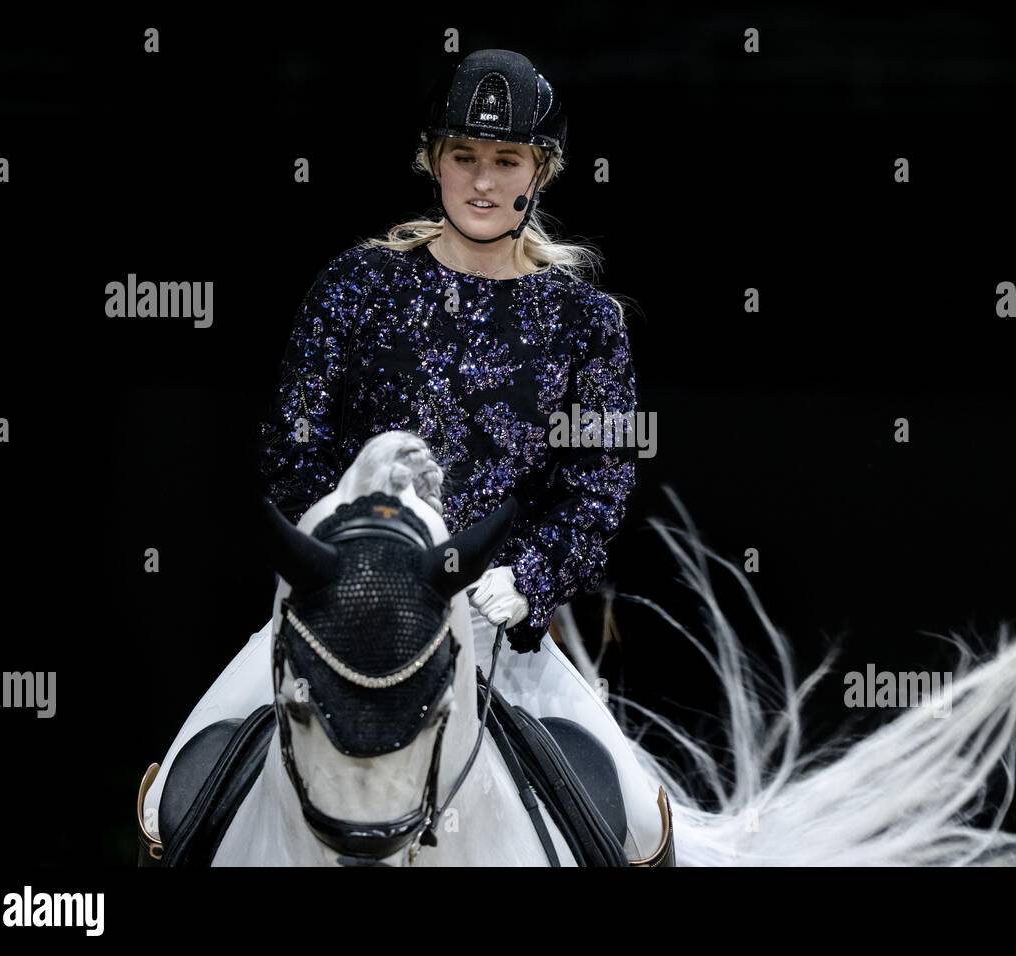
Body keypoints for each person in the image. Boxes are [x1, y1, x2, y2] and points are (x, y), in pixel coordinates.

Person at [144, 49, 665, 862]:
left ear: (542, 171)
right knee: (171, 802)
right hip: (343, 619)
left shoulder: (587, 320)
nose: (484, 182)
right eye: (464, 157)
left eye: (506, 161)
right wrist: (357, 570)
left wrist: (526, 582)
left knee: (638, 825)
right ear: (433, 160)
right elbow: (294, 453)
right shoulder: (356, 285)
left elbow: (597, 487)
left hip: (500, 630)